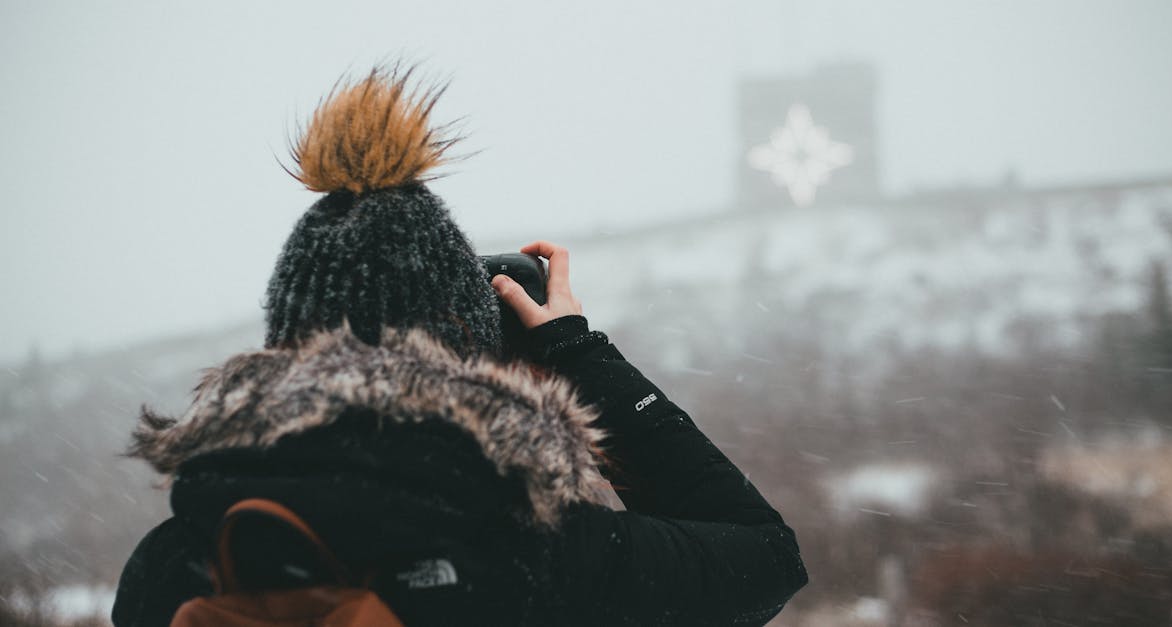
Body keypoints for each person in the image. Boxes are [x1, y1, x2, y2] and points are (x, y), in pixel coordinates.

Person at [111, 64, 807, 627]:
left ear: (284, 344)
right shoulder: (534, 555)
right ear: (466, 345)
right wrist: (574, 350)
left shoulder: (166, 571)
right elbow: (765, 557)